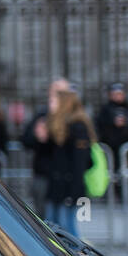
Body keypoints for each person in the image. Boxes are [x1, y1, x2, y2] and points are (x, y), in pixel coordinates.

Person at [43, 86, 95, 236]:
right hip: (57, 187)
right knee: (52, 227)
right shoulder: (59, 126)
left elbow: (81, 163)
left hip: (69, 188)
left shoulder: (77, 127)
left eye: (54, 101)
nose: (50, 104)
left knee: (67, 230)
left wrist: (73, 194)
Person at [22, 76, 71, 209]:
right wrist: (36, 136)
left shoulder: (73, 116)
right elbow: (26, 140)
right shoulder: (42, 114)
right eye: (54, 90)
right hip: (43, 175)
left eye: (61, 91)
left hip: (65, 176)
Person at [94, 81, 128, 166]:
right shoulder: (105, 109)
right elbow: (99, 123)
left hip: (127, 141)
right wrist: (112, 122)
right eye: (115, 94)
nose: (118, 96)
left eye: (120, 94)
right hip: (111, 143)